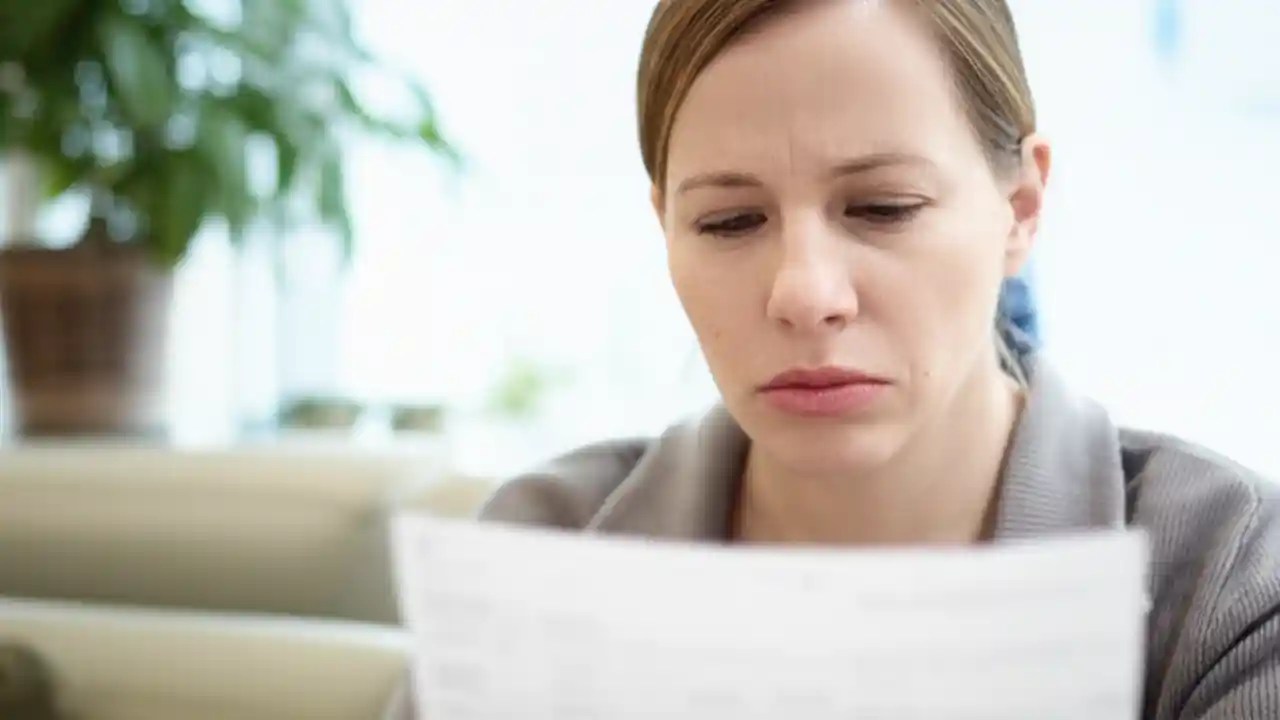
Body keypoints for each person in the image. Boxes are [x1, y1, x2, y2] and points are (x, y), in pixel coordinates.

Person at [466, 0, 1280, 717]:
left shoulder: (1235, 582)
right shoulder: (542, 549)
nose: (805, 293)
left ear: (1021, 209)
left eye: (883, 208)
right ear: (665, 227)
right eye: (729, 222)